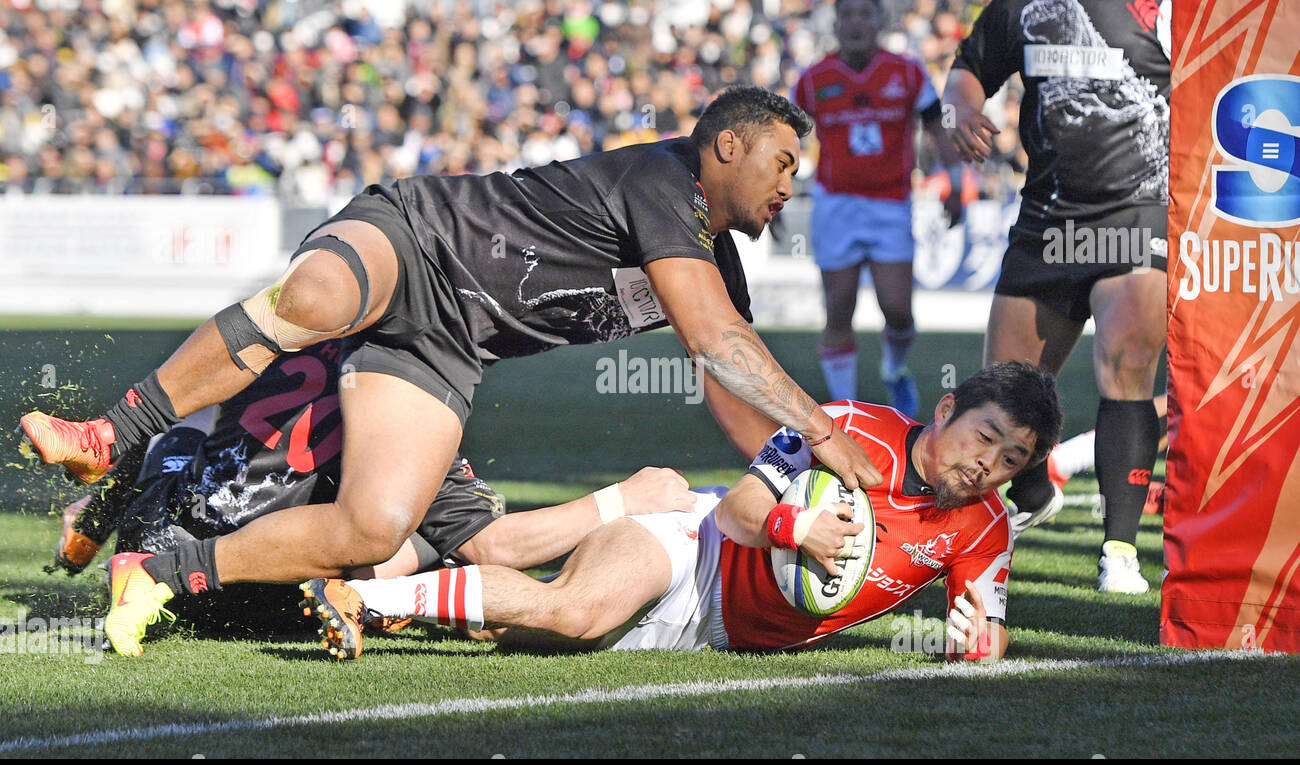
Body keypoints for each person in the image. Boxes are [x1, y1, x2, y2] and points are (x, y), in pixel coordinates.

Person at [19, 86, 885, 656]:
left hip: (444, 344)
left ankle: (165, 572)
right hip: (418, 232)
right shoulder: (666, 178)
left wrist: (782, 469)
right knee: (317, 294)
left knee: (373, 525)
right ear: (726, 145)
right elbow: (716, 343)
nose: (790, 186)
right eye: (782, 163)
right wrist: (822, 431)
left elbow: (730, 381)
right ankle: (110, 435)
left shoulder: (716, 270)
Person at [301, 362, 1062, 661]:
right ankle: (359, 596)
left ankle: (418, 572)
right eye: (985, 437)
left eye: (1009, 461)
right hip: (693, 545)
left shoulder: (986, 524)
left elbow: (988, 634)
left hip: (719, 634)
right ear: (950, 406)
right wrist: (801, 531)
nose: (984, 465)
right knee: (577, 609)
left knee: (523, 629)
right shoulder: (848, 426)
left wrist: (971, 639)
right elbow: (738, 510)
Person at [55, 340, 694, 653]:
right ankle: (372, 600)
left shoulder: (290, 332)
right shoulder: (410, 402)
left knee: (181, 430)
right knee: (409, 534)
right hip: (231, 594)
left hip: (156, 528)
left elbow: (182, 395)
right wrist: (621, 499)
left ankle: (93, 521)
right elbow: (496, 543)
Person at [942, 0, 1170, 593]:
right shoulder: (1023, 6)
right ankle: (1035, 489)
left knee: (1128, 367)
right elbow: (968, 67)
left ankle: (1119, 549)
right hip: (1047, 221)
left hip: (1137, 213)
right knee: (1005, 386)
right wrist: (961, 109)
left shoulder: (1172, 8)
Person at [793, 0, 964, 417]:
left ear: (878, 22)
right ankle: (844, 410)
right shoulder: (814, 79)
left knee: (898, 311)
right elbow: (786, 134)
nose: (855, 23)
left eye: (863, 15)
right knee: (839, 307)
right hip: (836, 204)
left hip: (891, 204)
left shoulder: (906, 72)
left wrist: (957, 183)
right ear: (835, 23)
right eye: (846, 15)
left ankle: (894, 368)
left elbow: (935, 125)